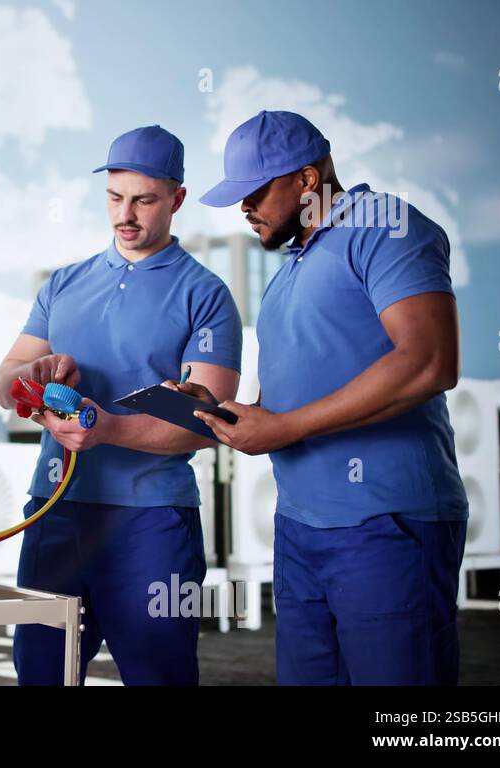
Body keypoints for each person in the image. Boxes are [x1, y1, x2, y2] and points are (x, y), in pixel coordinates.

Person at [187, 111, 469, 685]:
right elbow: (290, 396)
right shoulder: (291, 266)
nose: (244, 208)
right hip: (300, 528)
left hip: (385, 523)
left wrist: (285, 428)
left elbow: (430, 361)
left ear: (308, 181)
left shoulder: (386, 228)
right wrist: (222, 408)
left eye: (254, 193)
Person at [0, 126, 242, 685]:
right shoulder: (63, 285)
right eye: (114, 198)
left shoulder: (204, 295)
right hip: (55, 512)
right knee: (41, 675)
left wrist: (107, 430)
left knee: (160, 676)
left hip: (150, 520)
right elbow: (6, 381)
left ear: (177, 199)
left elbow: (208, 422)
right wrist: (31, 380)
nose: (125, 214)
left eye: (144, 200)